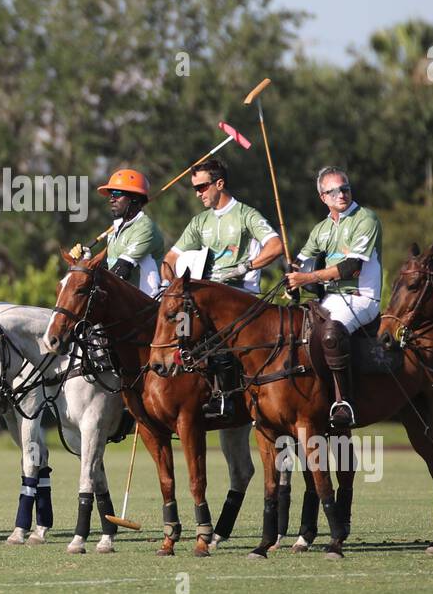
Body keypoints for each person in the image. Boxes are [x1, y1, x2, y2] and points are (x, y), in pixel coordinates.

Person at [162, 158, 284, 417]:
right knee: (177, 328)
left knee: (215, 331)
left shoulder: (246, 215)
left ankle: (226, 397)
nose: (198, 193)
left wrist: (246, 266)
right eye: (195, 188)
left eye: (202, 187)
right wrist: (172, 282)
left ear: (220, 183)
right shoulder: (200, 222)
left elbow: (276, 247)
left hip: (238, 294)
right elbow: (170, 258)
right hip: (205, 295)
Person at [286, 166, 384, 430]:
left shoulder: (365, 219)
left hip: (361, 298)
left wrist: (307, 279)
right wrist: (291, 277)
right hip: (330, 298)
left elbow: (351, 267)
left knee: (330, 333)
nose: (341, 194)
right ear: (323, 197)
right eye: (334, 191)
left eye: (345, 188)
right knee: (292, 327)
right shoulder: (321, 229)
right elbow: (301, 260)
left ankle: (344, 402)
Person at [91, 168, 167, 297]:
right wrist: (86, 260)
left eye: (116, 194)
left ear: (135, 198)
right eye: (111, 194)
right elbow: (107, 267)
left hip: (146, 304)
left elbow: (121, 271)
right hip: (123, 300)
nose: (111, 199)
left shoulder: (145, 228)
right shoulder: (115, 228)